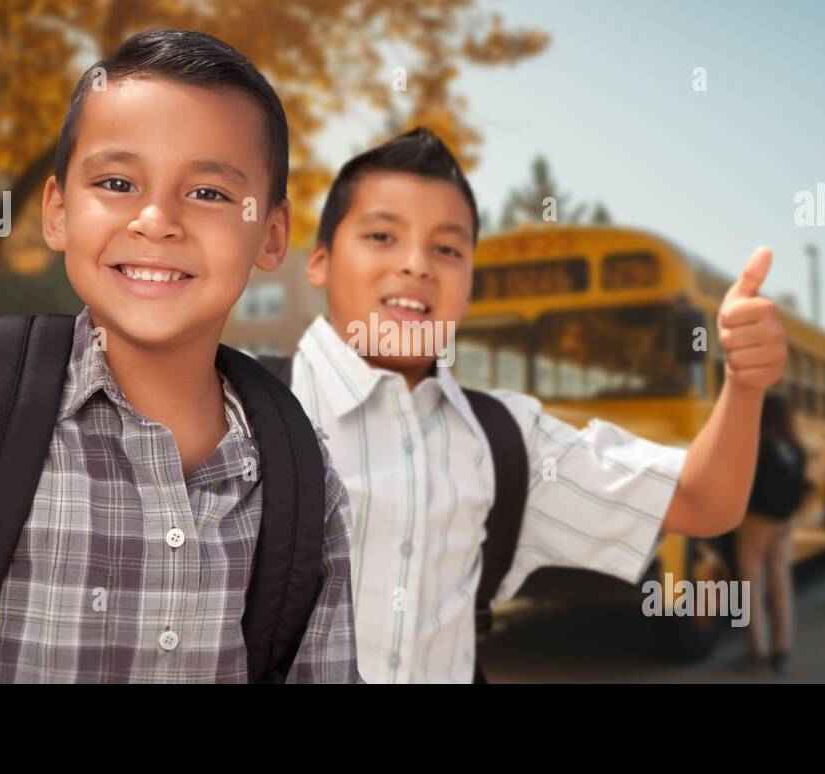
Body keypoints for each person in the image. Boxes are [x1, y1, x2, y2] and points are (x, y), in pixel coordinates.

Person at [0, 30, 358, 683]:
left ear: (271, 235)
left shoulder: (303, 473)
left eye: (209, 193)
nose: (156, 220)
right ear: (57, 212)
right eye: (117, 182)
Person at [278, 128, 789, 683]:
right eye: (382, 235)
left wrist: (742, 383)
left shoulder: (506, 438)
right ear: (320, 261)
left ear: (468, 287)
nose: (417, 265)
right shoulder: (231, 407)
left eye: (447, 248)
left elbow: (702, 501)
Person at [736, 392, 809, 674]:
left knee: (751, 583)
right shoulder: (795, 447)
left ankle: (758, 651)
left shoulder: (757, 443)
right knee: (781, 581)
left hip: (756, 519)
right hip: (785, 521)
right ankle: (782, 650)